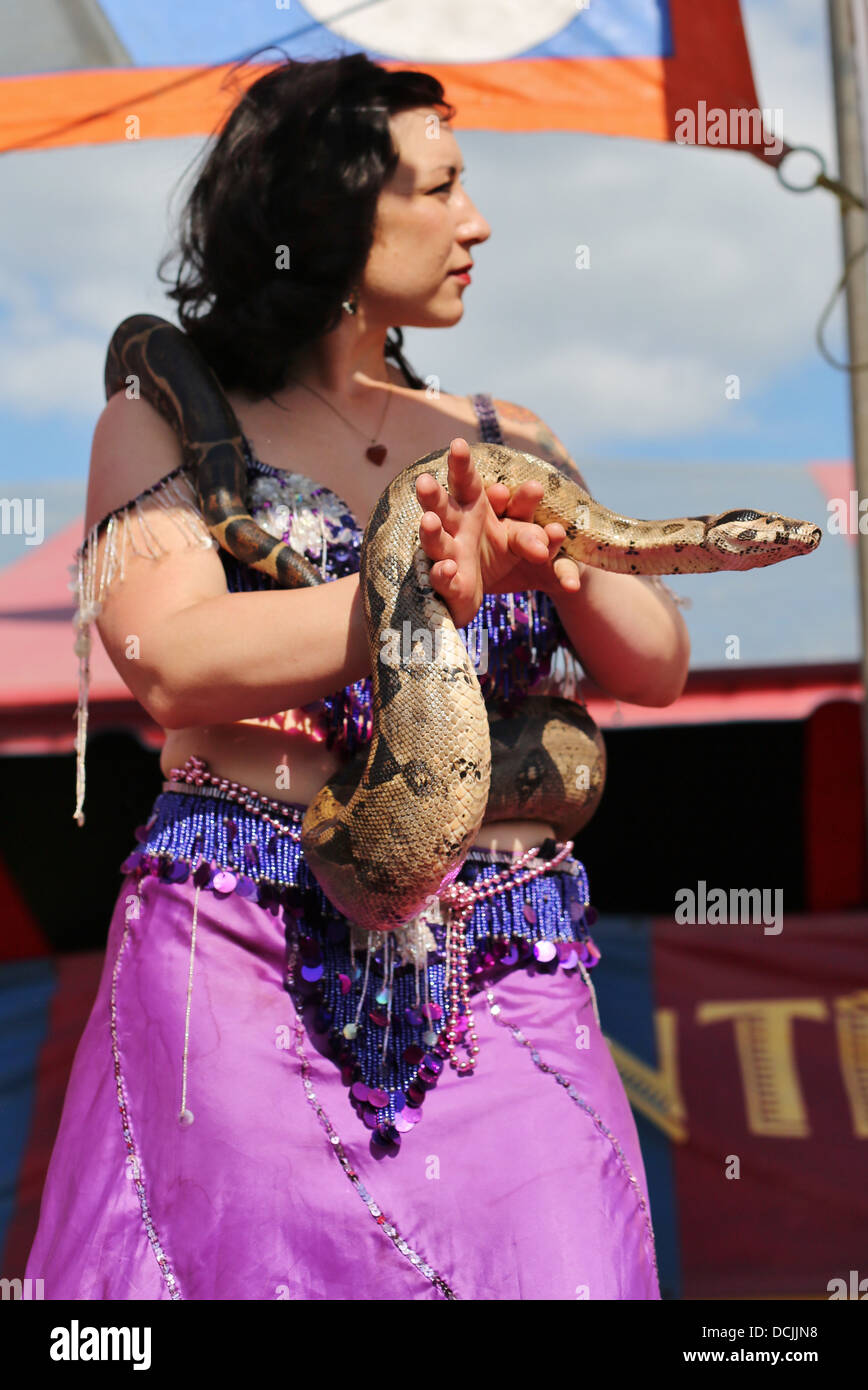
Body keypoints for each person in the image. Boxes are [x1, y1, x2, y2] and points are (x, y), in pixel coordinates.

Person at [26, 53, 689, 1300]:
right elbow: (172, 660)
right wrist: (429, 584)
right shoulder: (159, 421)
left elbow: (651, 663)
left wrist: (546, 556)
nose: (475, 222)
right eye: (438, 190)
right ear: (326, 214)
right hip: (245, 937)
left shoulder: (505, 434)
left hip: (505, 948)